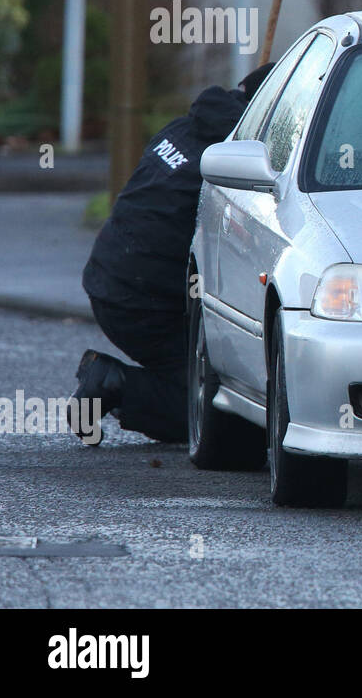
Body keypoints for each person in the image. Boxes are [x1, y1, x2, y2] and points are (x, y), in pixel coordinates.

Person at [69, 63, 275, 444]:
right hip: (140, 302)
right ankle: (114, 385)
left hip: (109, 278)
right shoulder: (230, 160)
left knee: (212, 387)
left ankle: (114, 382)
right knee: (221, 410)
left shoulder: (181, 128)